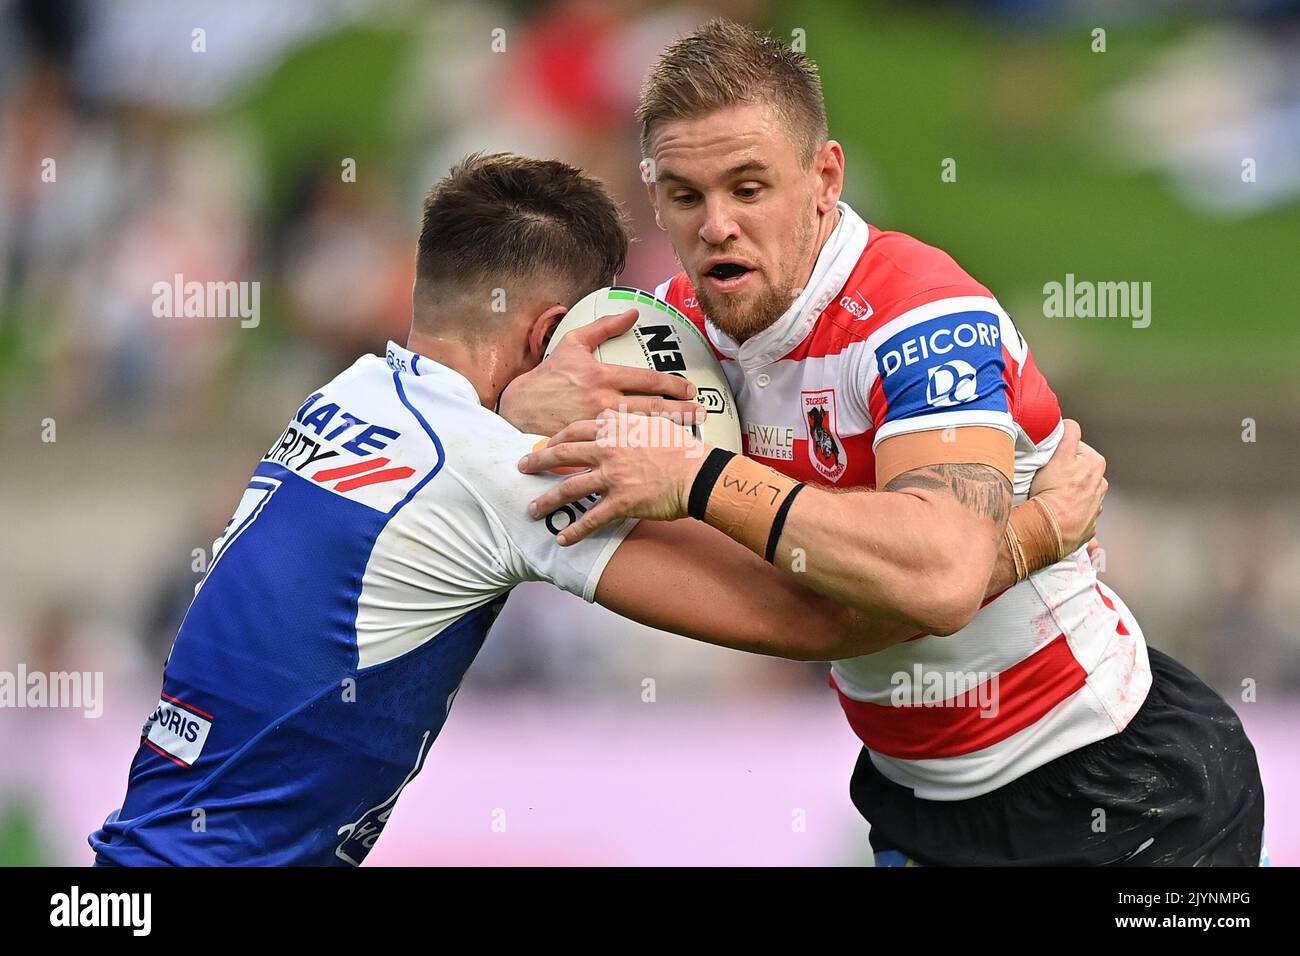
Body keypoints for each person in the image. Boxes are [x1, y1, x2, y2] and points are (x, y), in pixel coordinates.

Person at [90, 152, 1102, 866]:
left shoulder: (350, 396)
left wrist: (520, 401)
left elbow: (459, 450)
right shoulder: (509, 473)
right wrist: (1031, 531)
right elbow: (817, 615)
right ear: (552, 332)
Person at [514, 20, 1265, 866]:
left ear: (825, 177)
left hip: (1115, 785)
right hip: (915, 801)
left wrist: (700, 479)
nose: (717, 225)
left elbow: (939, 576)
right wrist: (520, 396)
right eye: (686, 197)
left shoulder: (921, 319)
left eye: (750, 189)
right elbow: (493, 414)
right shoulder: (666, 332)